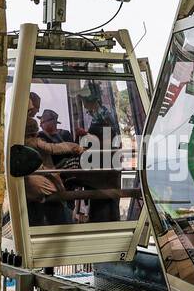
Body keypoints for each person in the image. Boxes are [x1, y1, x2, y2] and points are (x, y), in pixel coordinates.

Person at [74, 87, 121, 223]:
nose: (87, 111)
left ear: (92, 102)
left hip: (104, 174)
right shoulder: (101, 116)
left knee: (104, 212)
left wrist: (86, 136)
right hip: (101, 173)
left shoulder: (104, 117)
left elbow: (107, 142)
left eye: (86, 106)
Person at [23, 118, 82, 225]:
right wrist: (75, 147)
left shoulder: (21, 142)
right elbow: (54, 148)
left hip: (32, 189)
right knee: (62, 218)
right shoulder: (35, 141)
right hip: (45, 186)